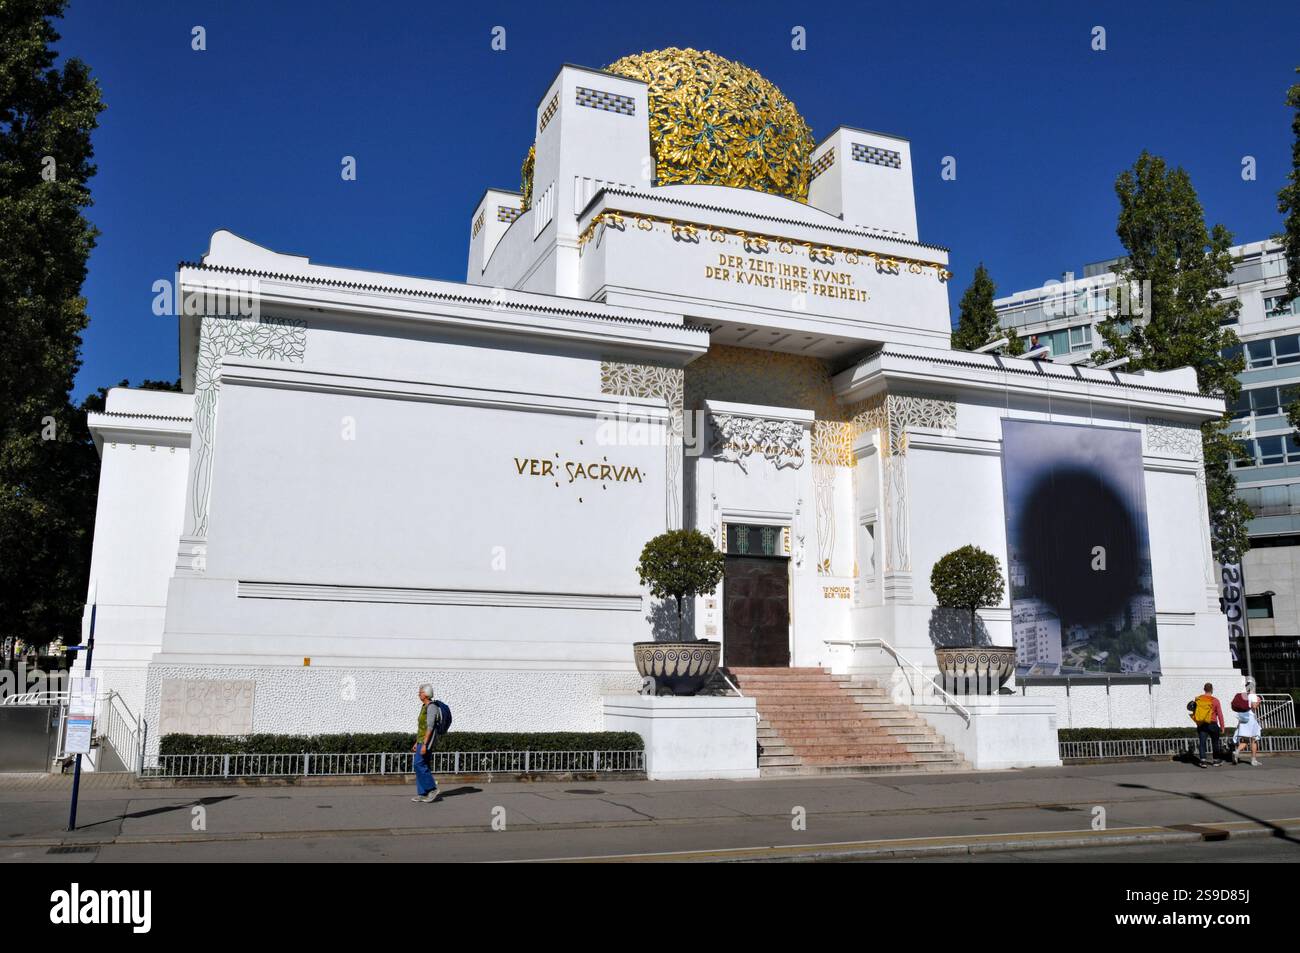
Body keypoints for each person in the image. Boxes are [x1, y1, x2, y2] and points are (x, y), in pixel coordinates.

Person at [411, 683, 442, 803]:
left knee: (418, 764)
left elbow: (429, 727)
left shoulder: (431, 707)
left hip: (426, 742)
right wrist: (417, 742)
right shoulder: (424, 706)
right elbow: (421, 728)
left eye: (420, 692)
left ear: (426, 694)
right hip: (421, 740)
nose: (419, 694)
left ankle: (432, 789)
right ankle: (423, 793)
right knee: (422, 766)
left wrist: (424, 744)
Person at [1190, 683, 1225, 768]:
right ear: (1212, 690)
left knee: (1202, 743)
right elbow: (1220, 714)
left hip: (1202, 724)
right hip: (1213, 724)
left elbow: (1195, 711)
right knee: (1215, 743)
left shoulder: (1198, 699)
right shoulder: (1215, 700)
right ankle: (1216, 761)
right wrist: (1222, 726)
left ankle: (1203, 761)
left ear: (1204, 689)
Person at [1230, 678, 1263, 767]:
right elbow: (1254, 706)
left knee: (1245, 739)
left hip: (1243, 718)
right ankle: (1253, 760)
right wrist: (1259, 701)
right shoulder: (1253, 695)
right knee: (1254, 739)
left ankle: (1236, 752)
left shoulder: (1243, 695)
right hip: (1250, 718)